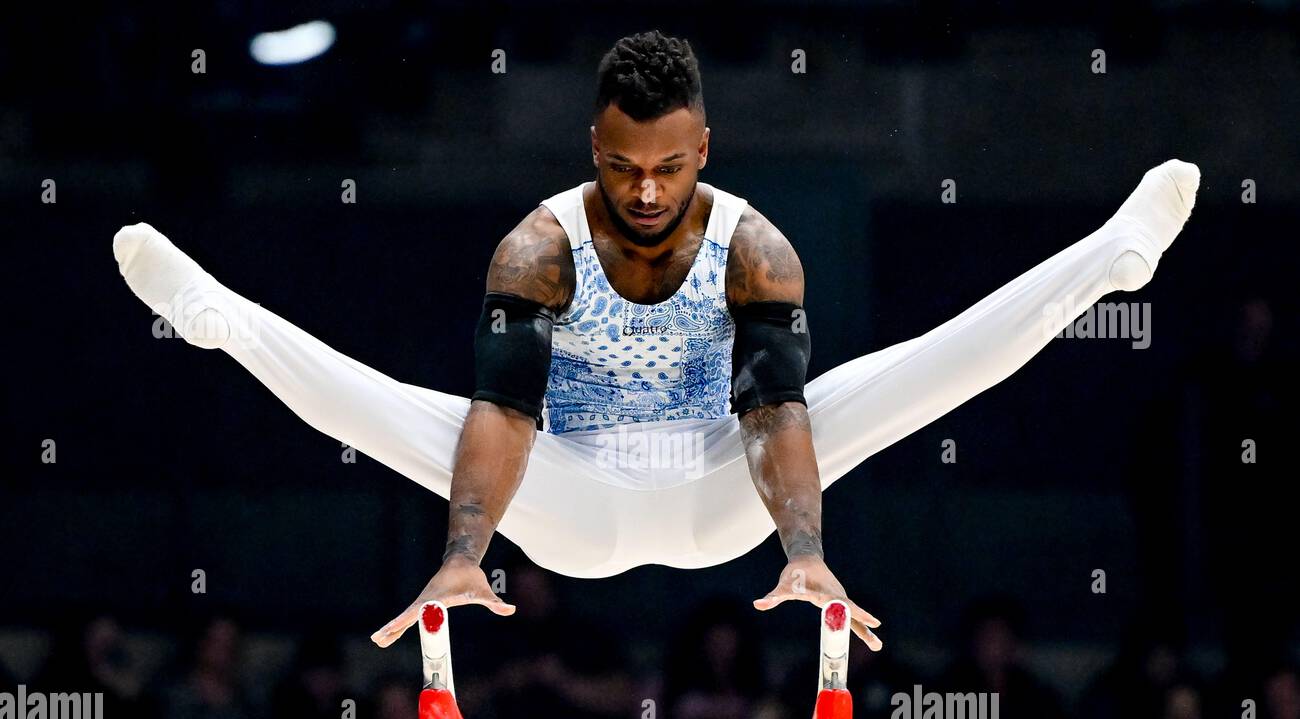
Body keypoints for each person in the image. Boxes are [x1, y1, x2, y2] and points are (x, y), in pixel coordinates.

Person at [111, 30, 1198, 654]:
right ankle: (224, 321)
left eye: (669, 167)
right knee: (408, 409)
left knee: (888, 383)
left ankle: (1107, 259)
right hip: (566, 497)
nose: (644, 189)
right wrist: (462, 555)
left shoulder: (755, 248)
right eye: (624, 165)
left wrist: (804, 550)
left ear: (703, 149)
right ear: (596, 145)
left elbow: (773, 410)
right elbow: (501, 415)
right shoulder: (535, 247)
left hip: (715, 492)